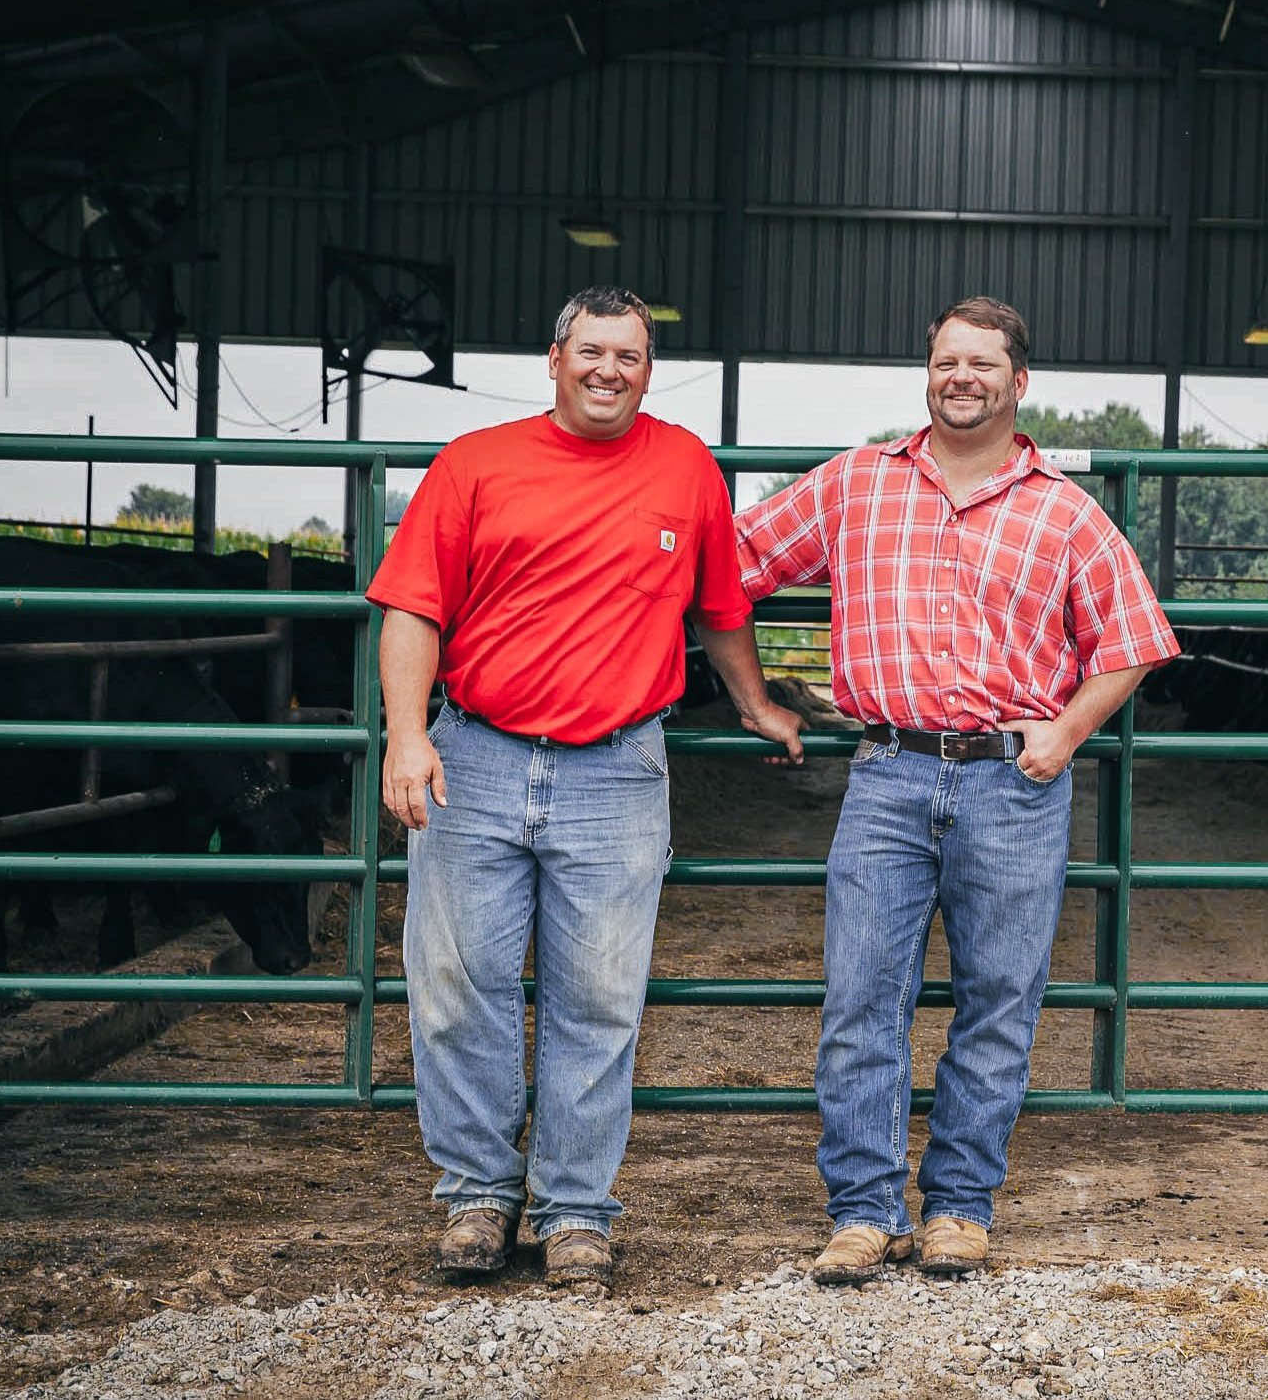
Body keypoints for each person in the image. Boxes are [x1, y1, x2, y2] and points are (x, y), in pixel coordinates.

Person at [368, 285, 804, 1293]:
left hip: (617, 762)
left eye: (633, 357)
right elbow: (411, 610)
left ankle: (574, 1209)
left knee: (599, 998)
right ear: (555, 358)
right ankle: (479, 1192)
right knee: (454, 985)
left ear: (649, 372)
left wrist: (753, 703)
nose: (612, 370)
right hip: (473, 751)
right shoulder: (476, 462)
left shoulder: (685, 464)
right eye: (594, 352)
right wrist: (405, 736)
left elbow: (719, 603)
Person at [735, 296, 1178, 1284]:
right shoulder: (856, 484)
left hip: (1010, 780)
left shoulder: (1064, 510)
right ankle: (862, 1210)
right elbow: (734, 560)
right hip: (888, 768)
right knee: (860, 997)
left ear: (1019, 382)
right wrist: (750, 689)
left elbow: (1135, 638)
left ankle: (960, 1207)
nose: (960, 377)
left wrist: (1066, 732)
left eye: (981, 363)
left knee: (998, 1001)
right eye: (945, 361)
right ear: (926, 373)